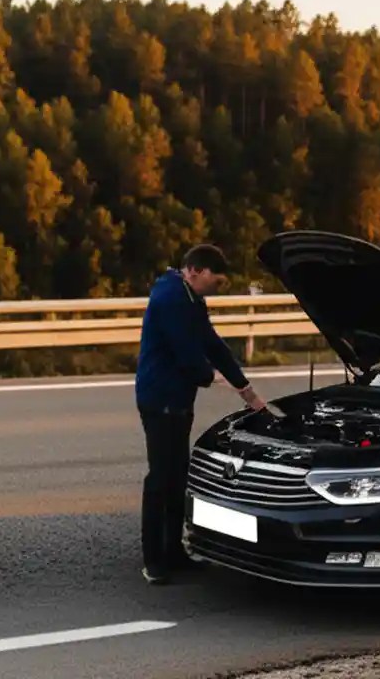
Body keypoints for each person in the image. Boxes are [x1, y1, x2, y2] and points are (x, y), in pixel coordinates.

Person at [135, 243, 266, 584]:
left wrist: (246, 389)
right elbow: (190, 357)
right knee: (161, 479)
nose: (217, 288)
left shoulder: (191, 297)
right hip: (160, 400)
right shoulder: (170, 299)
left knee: (179, 474)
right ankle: (154, 560)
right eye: (216, 281)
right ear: (195, 271)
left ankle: (174, 550)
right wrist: (213, 378)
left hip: (178, 400)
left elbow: (211, 343)